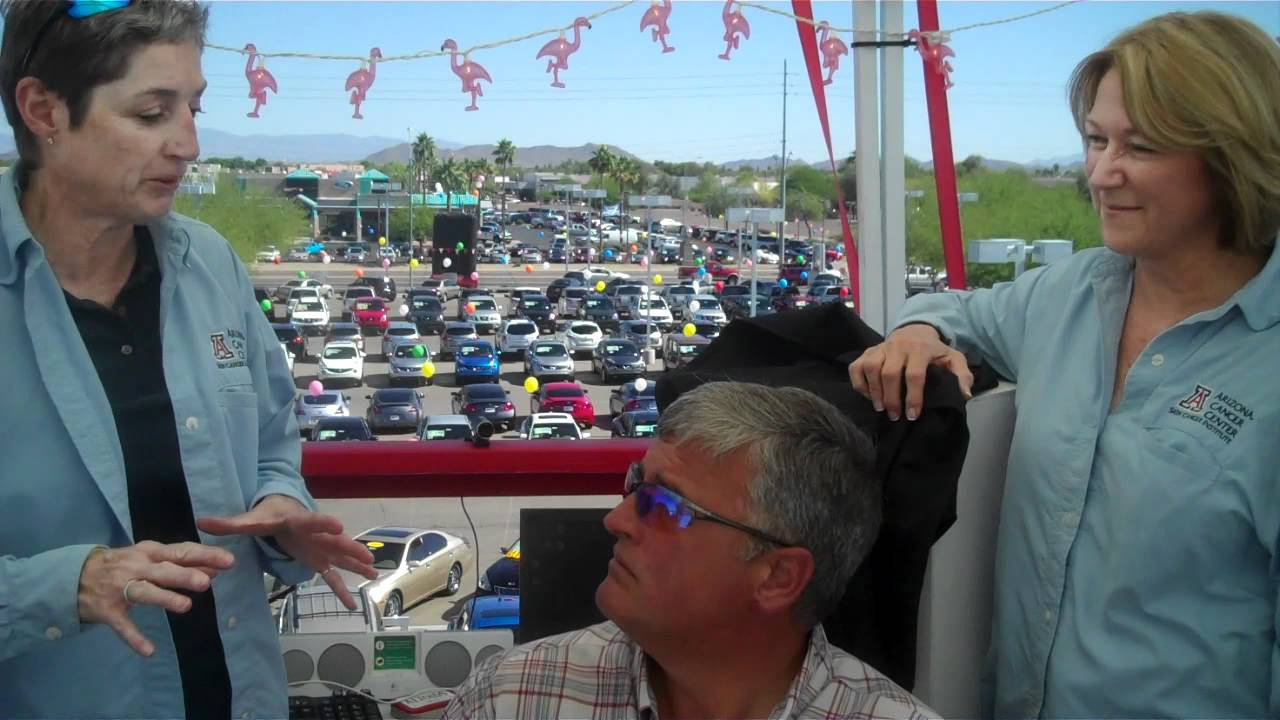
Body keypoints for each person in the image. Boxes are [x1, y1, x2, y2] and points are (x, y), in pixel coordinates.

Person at [850, 11, 1280, 719]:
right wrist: (919, 332)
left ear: (1233, 155)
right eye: (1095, 140)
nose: (1101, 174)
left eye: (1138, 147)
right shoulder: (1071, 293)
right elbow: (956, 308)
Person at [0, 2, 376, 718]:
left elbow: (271, 443)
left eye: (194, 109)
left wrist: (282, 508)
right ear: (43, 109)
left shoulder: (209, 264)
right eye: (151, 114)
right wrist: (67, 587)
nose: (189, 144)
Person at [445, 382, 937, 720]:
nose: (615, 521)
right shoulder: (512, 698)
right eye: (634, 485)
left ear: (778, 577)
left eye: (662, 505)